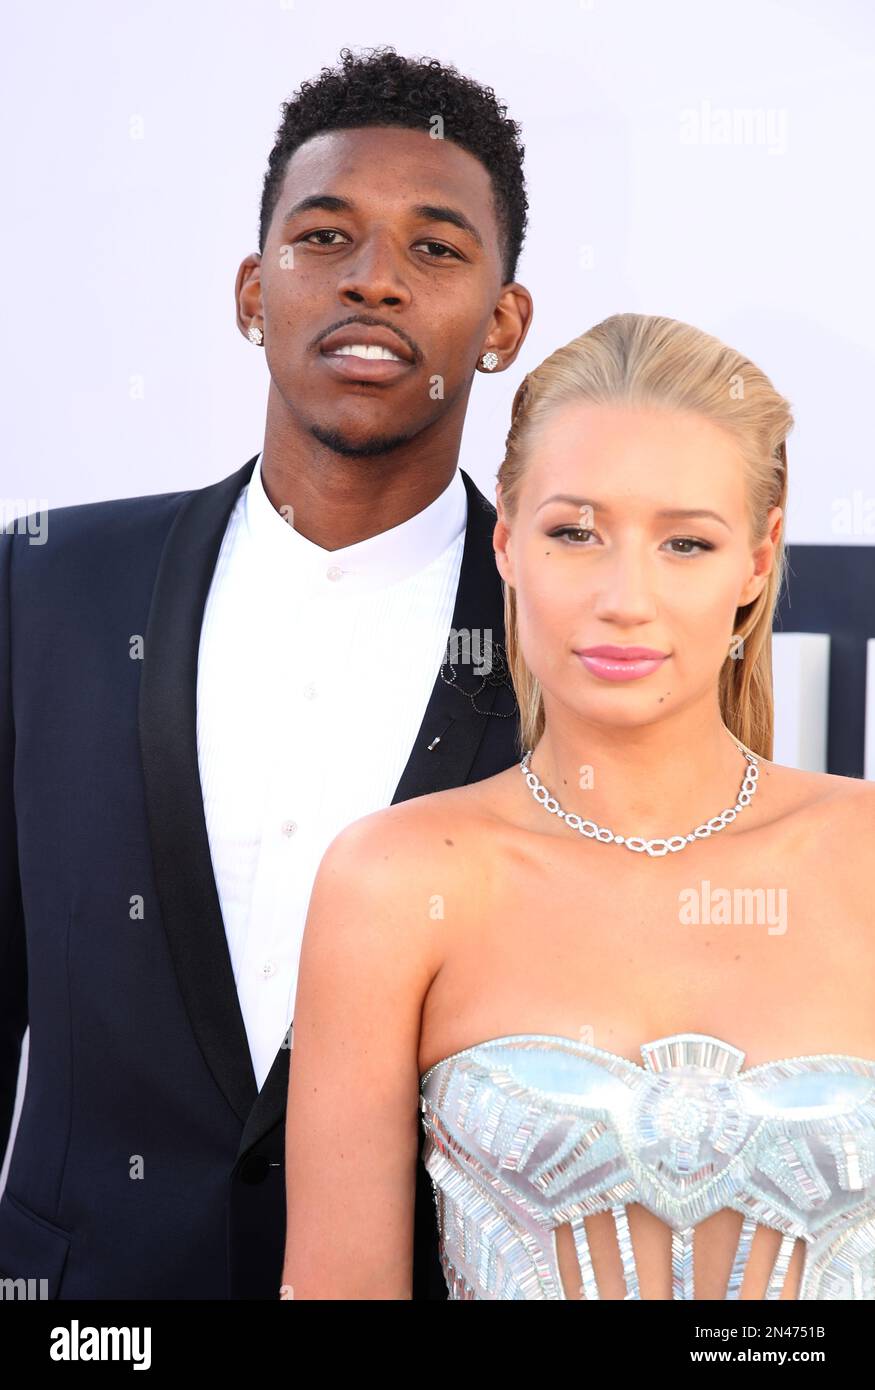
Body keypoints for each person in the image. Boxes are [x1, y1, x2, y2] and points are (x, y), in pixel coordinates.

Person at [0, 46, 533, 1299]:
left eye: (434, 249)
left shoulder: (560, 638)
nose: (372, 282)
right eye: (325, 237)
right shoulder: (49, 586)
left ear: (503, 324)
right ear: (253, 290)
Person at [281, 312, 875, 1301]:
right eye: (572, 532)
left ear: (757, 561)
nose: (623, 597)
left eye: (684, 542)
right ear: (506, 542)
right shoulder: (395, 881)